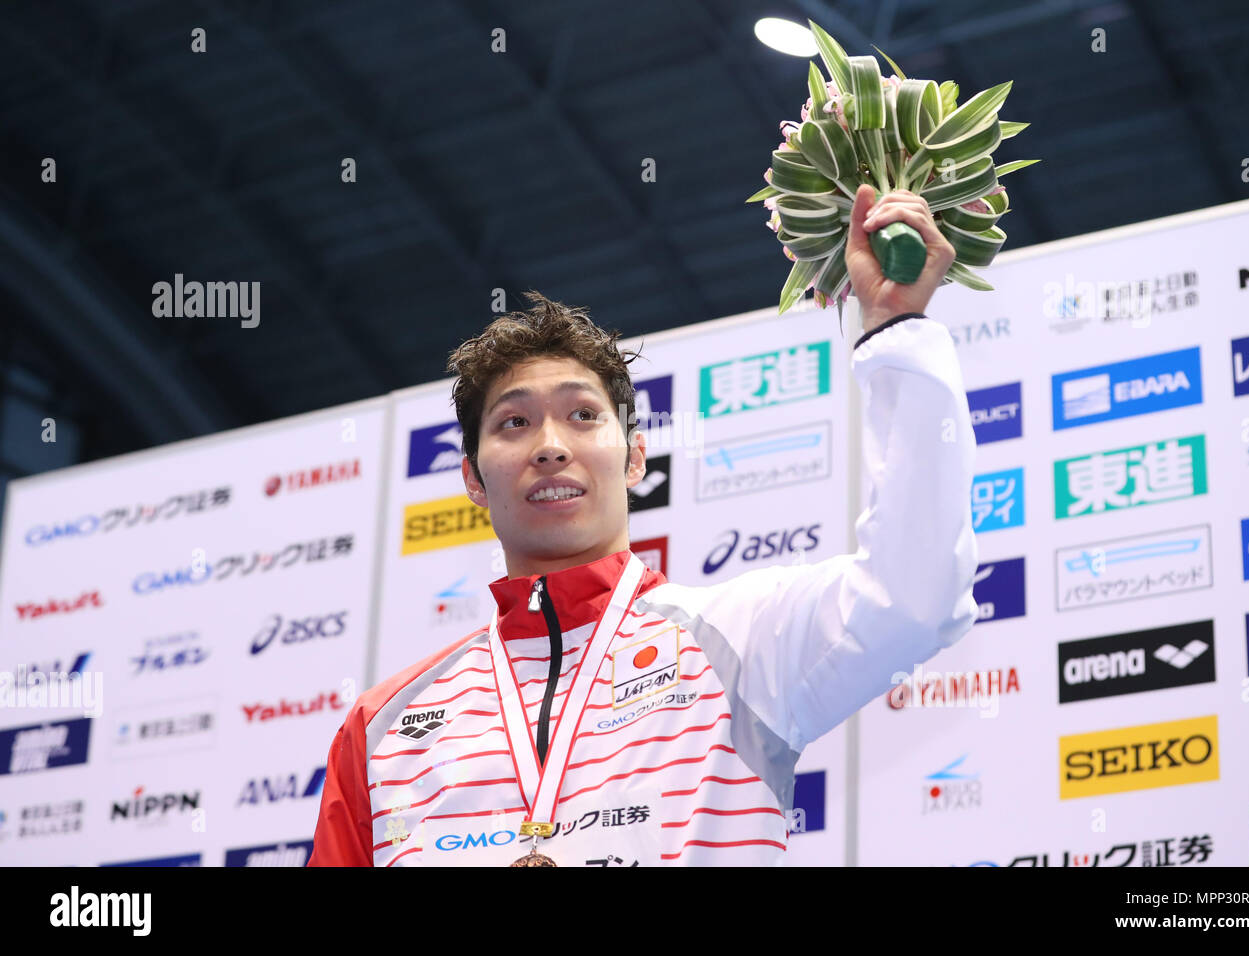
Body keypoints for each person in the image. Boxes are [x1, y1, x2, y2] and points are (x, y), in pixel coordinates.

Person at [307, 185, 977, 866]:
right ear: (474, 480)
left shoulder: (740, 642)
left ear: (634, 457)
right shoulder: (381, 728)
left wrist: (897, 331)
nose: (549, 444)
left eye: (582, 415)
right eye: (514, 422)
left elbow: (915, 593)